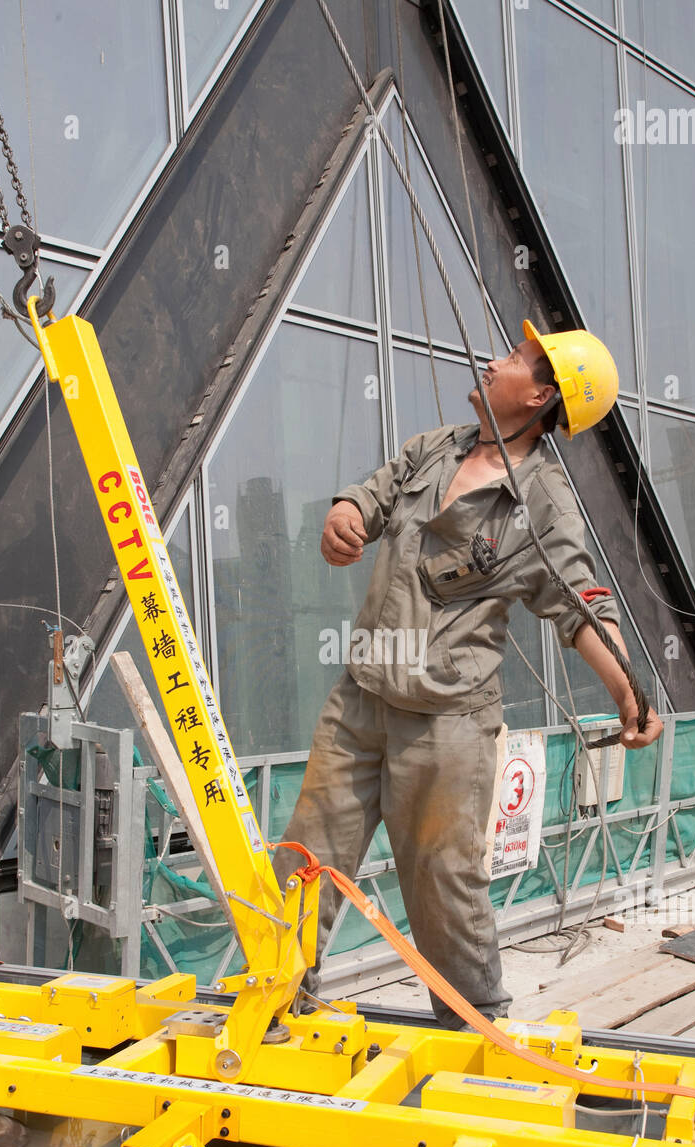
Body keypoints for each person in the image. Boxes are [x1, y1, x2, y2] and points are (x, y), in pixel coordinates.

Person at [272, 320, 663, 1029]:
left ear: (543, 395)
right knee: (305, 859)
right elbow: (370, 494)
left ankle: (474, 1031)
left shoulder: (540, 502)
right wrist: (343, 516)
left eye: (513, 359)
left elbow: (580, 604)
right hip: (361, 702)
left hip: (447, 728)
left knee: (442, 885)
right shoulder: (434, 449)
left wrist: (629, 696)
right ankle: (272, 1006)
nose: (493, 360)